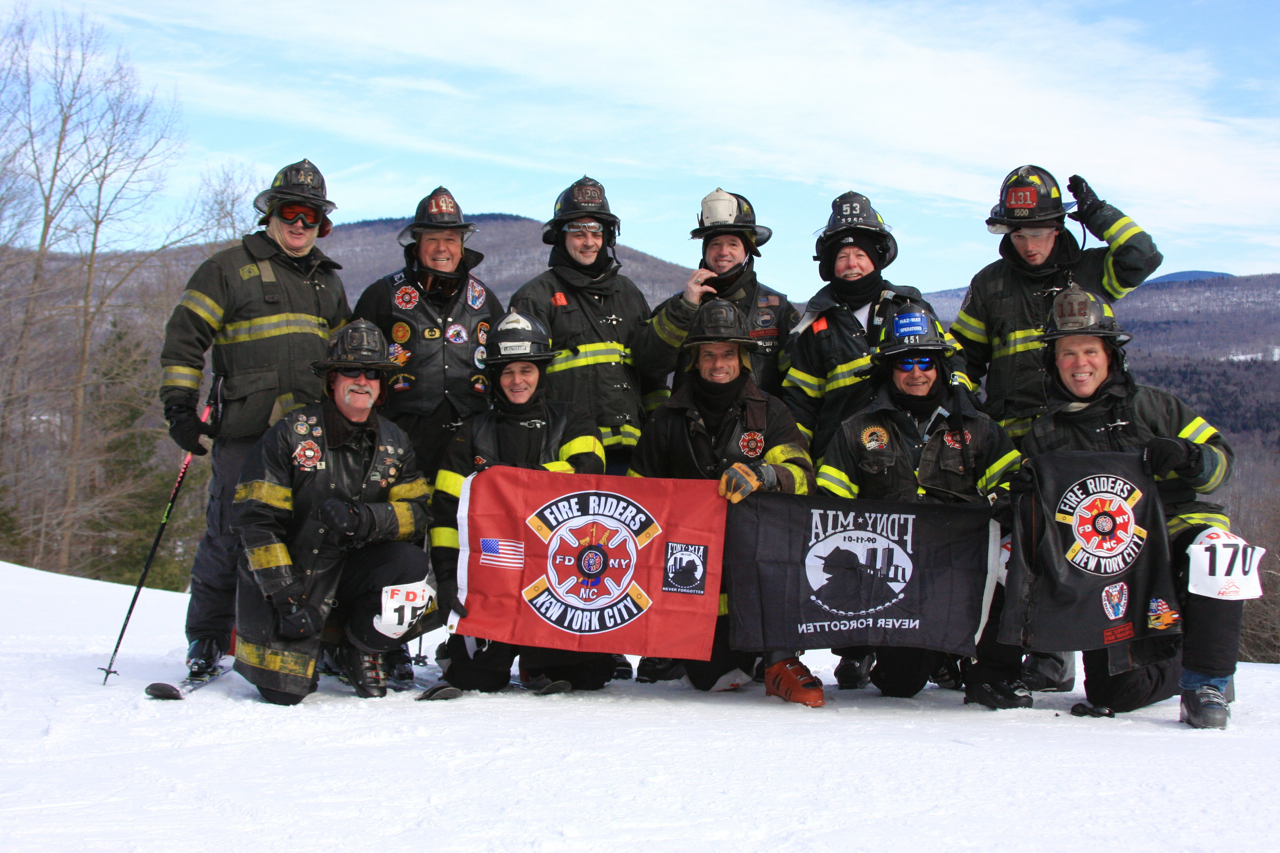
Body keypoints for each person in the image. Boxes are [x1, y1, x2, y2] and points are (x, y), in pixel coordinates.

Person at [975, 285, 1239, 728]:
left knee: (1222, 552)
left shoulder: (1154, 406)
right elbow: (1040, 516)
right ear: (1053, 362)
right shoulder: (1045, 432)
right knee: (1115, 691)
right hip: (1102, 559)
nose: (1080, 363)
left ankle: (1208, 680)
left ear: (1111, 355)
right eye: (1068, 353)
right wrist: (1020, 496)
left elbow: (1221, 466)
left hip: (1170, 529)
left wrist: (1190, 458)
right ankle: (1000, 670)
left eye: (1090, 350)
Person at [949, 165, 1162, 692]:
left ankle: (1071, 651)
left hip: (1082, 437)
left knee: (1081, 544)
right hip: (1014, 439)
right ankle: (1032, 654)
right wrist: (958, 395)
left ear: (1060, 227)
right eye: (1019, 233)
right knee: (1020, 550)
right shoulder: (990, 284)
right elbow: (963, 353)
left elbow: (1143, 257)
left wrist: (1099, 213)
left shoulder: (1091, 272)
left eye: (1040, 231)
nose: (1030, 243)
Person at [158, 159, 350, 678]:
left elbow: (344, 360)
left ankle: (316, 638)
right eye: (290, 211)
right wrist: (180, 406)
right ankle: (208, 639)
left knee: (312, 538)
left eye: (312, 217)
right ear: (269, 212)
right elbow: (185, 339)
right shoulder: (227, 268)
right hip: (246, 429)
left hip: (312, 437)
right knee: (228, 533)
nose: (300, 223)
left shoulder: (328, 284)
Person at [816, 303, 1020, 699]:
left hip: (962, 570)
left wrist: (1005, 501)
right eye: (904, 363)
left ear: (940, 366)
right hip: (894, 576)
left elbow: (1011, 482)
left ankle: (991, 669)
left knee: (1011, 567)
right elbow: (829, 502)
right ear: (889, 370)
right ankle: (923, 656)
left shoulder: (979, 428)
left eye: (925, 361)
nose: (916, 373)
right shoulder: (857, 430)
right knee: (899, 684)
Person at [230, 321, 435, 705]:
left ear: (382, 384)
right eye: (351, 371)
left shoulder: (394, 441)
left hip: (353, 573)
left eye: (373, 373)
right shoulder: (290, 433)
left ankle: (358, 647)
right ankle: (313, 639)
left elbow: (419, 512)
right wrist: (286, 597)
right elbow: (255, 524)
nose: (363, 381)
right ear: (331, 379)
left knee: (413, 565)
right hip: (293, 577)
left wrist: (366, 519)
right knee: (283, 693)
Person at [628, 300, 821, 705]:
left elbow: (804, 477)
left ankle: (778, 659)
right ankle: (701, 649)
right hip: (689, 569)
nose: (719, 364)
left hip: (756, 560)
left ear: (744, 358)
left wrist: (766, 475)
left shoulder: (771, 413)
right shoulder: (665, 420)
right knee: (709, 676)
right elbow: (636, 498)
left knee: (753, 641)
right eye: (708, 354)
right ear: (694, 360)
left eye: (728, 354)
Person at [429, 311, 612, 692]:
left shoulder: (573, 420)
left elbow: (590, 478)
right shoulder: (471, 433)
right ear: (494, 376)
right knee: (475, 679)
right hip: (495, 569)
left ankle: (538, 658)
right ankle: (462, 650)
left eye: (526, 370)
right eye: (507, 372)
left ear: (541, 372)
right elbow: (447, 513)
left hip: (558, 574)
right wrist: (447, 578)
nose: (517, 381)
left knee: (588, 677)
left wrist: (502, 482)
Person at [782, 191, 966, 461]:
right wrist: (795, 462)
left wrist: (963, 399)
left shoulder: (911, 307)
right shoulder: (815, 325)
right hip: (840, 461)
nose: (851, 264)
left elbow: (953, 360)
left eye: (860, 254)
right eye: (842, 256)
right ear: (830, 264)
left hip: (911, 458)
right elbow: (800, 404)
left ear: (876, 259)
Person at [507, 176, 669, 477]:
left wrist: (659, 433)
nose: (589, 241)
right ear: (560, 236)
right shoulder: (535, 297)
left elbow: (652, 377)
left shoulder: (628, 293)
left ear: (608, 237)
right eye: (578, 232)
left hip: (632, 454)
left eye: (596, 231)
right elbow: (521, 383)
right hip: (568, 455)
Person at [351, 186, 503, 481]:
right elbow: (350, 371)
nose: (441, 248)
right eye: (432, 239)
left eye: (450, 239)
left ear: (462, 246)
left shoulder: (484, 300)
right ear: (416, 245)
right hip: (397, 445)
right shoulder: (381, 296)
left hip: (470, 448)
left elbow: (505, 372)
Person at [648, 188, 799, 396]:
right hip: (692, 426)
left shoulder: (778, 309)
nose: (722, 252)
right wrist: (685, 309)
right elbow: (649, 365)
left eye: (733, 244)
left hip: (759, 426)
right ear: (705, 251)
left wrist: (778, 424)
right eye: (715, 244)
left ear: (748, 252)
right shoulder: (679, 309)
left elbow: (799, 383)